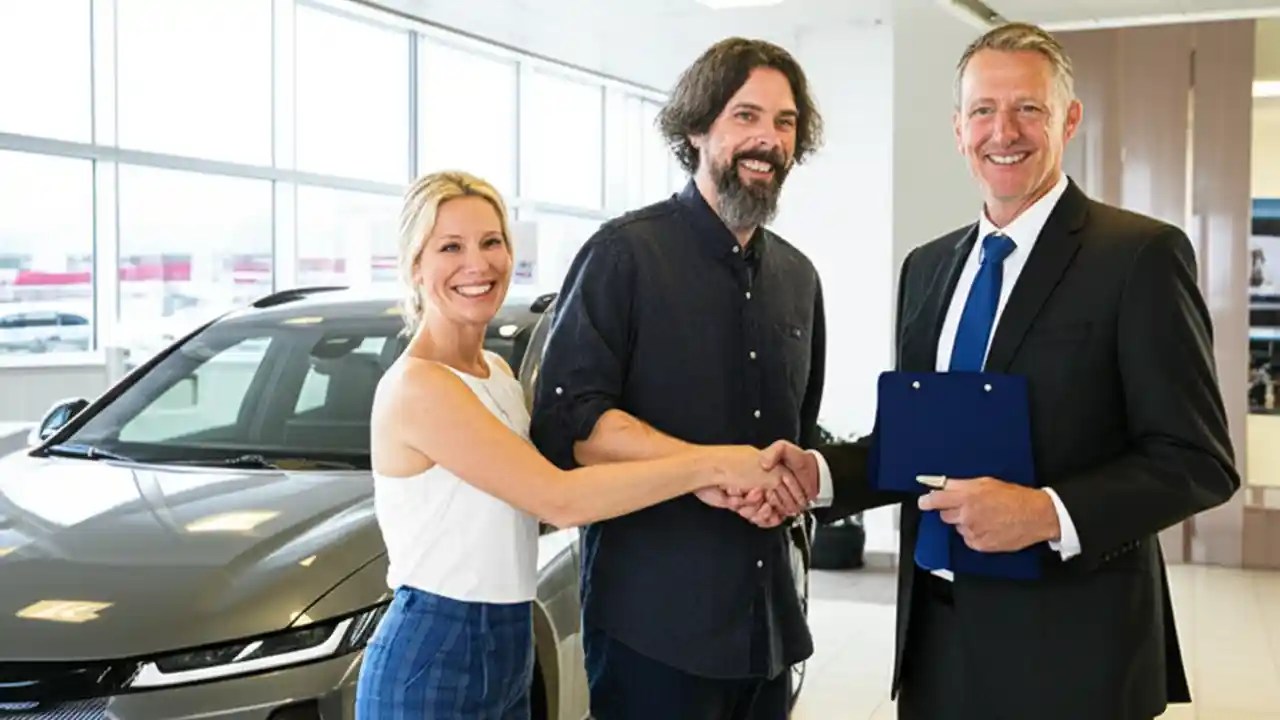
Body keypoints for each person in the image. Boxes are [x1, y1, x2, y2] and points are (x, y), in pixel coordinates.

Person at [757, 22, 1240, 720]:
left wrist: (1045, 513)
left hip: (1073, 654)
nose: (1003, 131)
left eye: (1028, 108)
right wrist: (820, 475)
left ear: (1069, 119)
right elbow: (919, 448)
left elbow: (1197, 460)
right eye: (982, 110)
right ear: (958, 129)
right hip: (936, 647)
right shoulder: (927, 267)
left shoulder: (1140, 257)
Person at [354, 170, 790, 719]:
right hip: (436, 648)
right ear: (414, 265)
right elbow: (559, 499)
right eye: (450, 247)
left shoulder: (495, 374)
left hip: (509, 642)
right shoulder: (420, 386)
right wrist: (712, 466)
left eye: (491, 242)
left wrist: (694, 486)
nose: (478, 264)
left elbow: (538, 501)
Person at [529, 37, 825, 720]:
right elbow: (573, 426)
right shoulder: (622, 256)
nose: (768, 139)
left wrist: (783, 486)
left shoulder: (799, 278)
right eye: (745, 116)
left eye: (784, 123)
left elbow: (796, 438)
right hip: (653, 631)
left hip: (767, 629)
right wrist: (710, 468)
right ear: (696, 129)